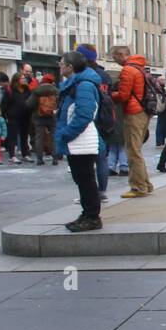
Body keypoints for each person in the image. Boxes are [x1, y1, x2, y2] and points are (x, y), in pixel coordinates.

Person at [54, 50, 104, 232]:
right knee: (81, 178)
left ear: (70, 66)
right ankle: (87, 213)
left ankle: (92, 216)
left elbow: (84, 114)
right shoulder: (75, 84)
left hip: (81, 140)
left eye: (61, 63)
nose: (59, 66)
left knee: (86, 179)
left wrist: (66, 134)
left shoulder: (83, 85)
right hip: (78, 140)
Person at [110, 45, 153, 199]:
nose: (115, 61)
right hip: (143, 111)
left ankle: (138, 187)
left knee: (133, 151)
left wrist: (110, 95)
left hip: (134, 112)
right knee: (136, 150)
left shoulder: (128, 70)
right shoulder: (140, 68)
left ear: (121, 55)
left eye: (114, 58)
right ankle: (145, 184)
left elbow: (123, 95)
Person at [77, 44, 114, 198]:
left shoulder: (84, 76)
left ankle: (90, 193)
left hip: (92, 119)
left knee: (86, 160)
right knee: (101, 157)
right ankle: (102, 191)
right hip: (105, 118)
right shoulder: (104, 75)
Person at [29, 74, 60, 165]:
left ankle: (39, 159)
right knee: (54, 137)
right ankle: (55, 158)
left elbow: (30, 104)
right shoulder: (56, 91)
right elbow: (59, 103)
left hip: (39, 116)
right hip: (52, 116)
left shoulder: (37, 90)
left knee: (39, 137)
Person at [3, 73, 33, 162]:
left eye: (24, 78)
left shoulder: (27, 90)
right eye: (22, 78)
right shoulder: (10, 90)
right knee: (13, 136)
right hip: (13, 117)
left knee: (24, 136)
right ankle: (12, 155)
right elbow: (4, 104)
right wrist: (5, 116)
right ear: (16, 80)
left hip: (25, 116)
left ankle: (25, 154)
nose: (24, 80)